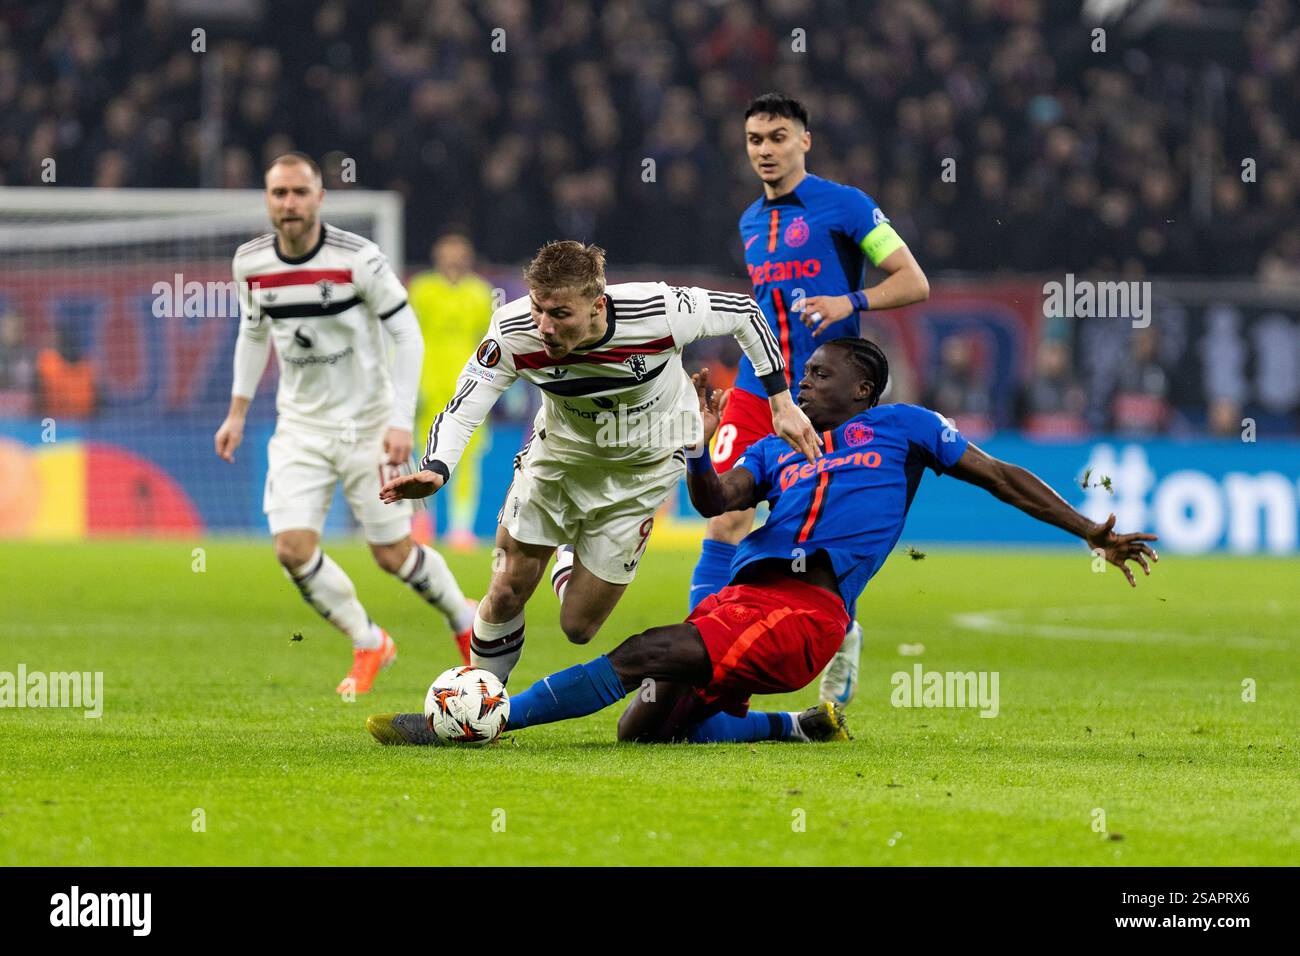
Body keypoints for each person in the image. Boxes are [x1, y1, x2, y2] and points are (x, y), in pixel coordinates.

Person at [368, 337, 1159, 746]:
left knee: (644, 651)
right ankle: (798, 727)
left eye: (818, 375)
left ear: (862, 388)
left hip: (805, 610)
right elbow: (720, 499)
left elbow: (1001, 475)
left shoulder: (905, 428)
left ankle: (483, 722)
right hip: (744, 599)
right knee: (646, 727)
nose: (802, 384)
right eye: (802, 373)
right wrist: (697, 447)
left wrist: (1093, 531)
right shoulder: (781, 449)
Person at [378, 240, 819, 688]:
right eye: (538, 309)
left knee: (578, 627)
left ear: (597, 306)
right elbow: (465, 404)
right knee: (508, 587)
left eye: (560, 314)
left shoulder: (660, 311)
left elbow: (745, 311)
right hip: (559, 460)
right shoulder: (513, 330)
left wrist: (780, 402)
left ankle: (570, 554)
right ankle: (478, 703)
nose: (545, 327)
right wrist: (437, 465)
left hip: (642, 472)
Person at [688, 92, 931, 709]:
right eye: (754, 140)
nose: (764, 150)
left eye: (776, 137)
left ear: (805, 141)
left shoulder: (845, 206)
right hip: (758, 387)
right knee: (725, 514)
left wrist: (852, 303)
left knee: (817, 528)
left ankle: (840, 628)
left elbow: (913, 281)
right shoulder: (749, 222)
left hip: (826, 398)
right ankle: (706, 667)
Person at [214, 152, 475, 696]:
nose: (289, 203)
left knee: (392, 555)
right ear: (268, 200)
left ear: (319, 199)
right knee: (291, 548)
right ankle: (368, 639)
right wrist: (237, 412)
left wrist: (401, 420)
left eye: (299, 193)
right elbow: (254, 333)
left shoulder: (359, 259)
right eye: (279, 193)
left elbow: (408, 335)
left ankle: (463, 621)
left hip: (370, 427)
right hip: (300, 429)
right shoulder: (251, 264)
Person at [407, 233, 496, 549]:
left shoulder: (480, 292)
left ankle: (461, 529)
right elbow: (407, 337)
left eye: (459, 251)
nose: (453, 257)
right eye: (447, 251)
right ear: (437, 254)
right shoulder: (423, 289)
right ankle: (421, 524)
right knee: (423, 453)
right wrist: (406, 383)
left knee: (467, 458)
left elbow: (489, 341)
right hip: (428, 387)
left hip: (470, 388)